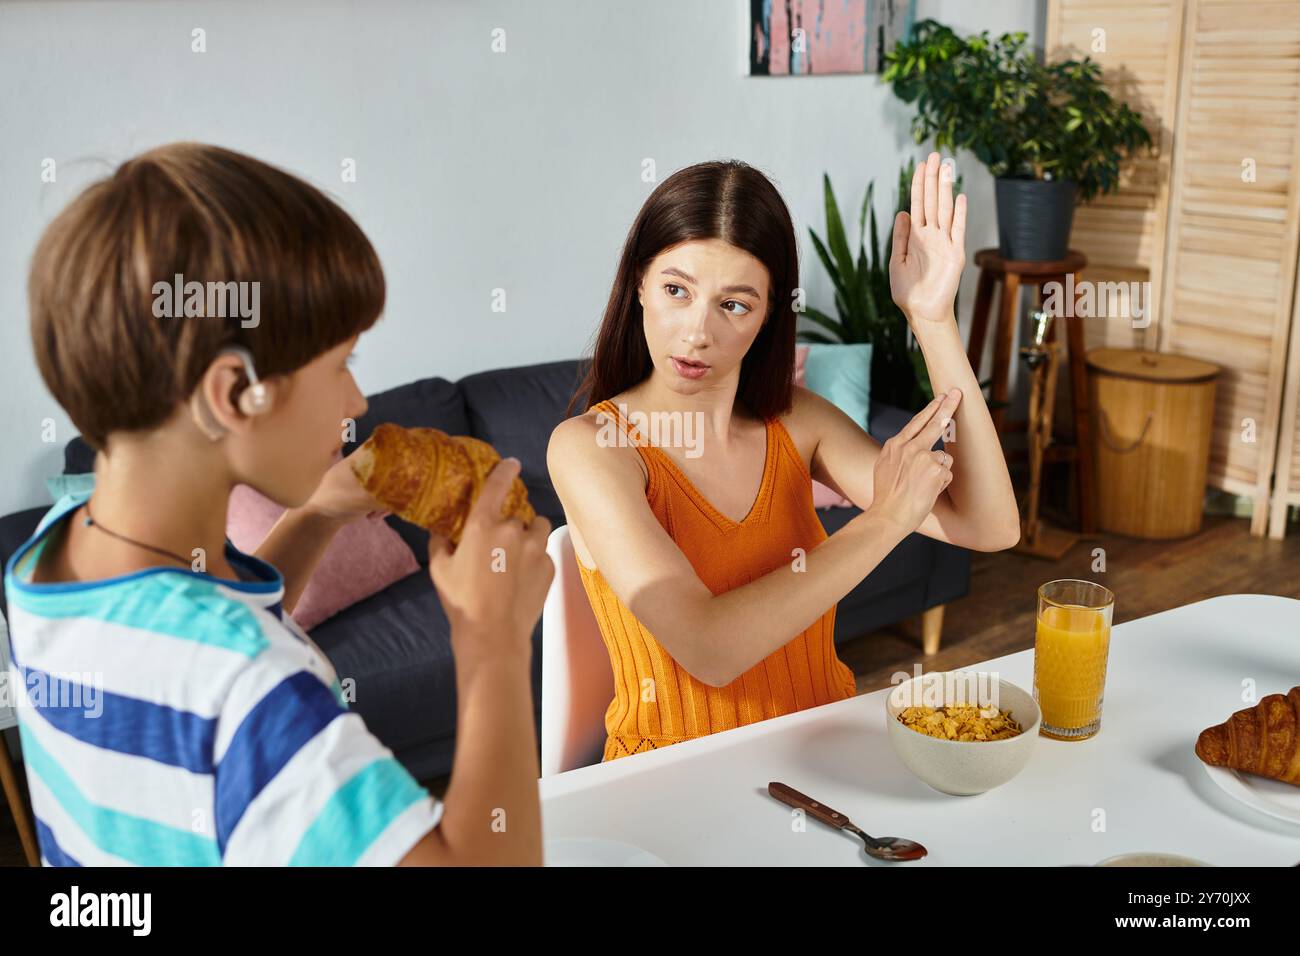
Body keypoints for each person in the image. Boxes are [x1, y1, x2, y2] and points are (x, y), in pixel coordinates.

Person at [4, 142, 553, 865]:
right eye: (342, 363)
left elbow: (209, 624)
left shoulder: (55, 555)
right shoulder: (251, 690)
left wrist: (317, 515)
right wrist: (494, 643)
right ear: (234, 393)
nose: (357, 401)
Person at [547, 152, 1019, 761]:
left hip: (820, 757)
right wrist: (883, 523)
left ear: (769, 313)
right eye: (675, 290)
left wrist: (933, 321)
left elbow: (991, 525)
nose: (697, 332)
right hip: (672, 783)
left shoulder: (799, 424)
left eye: (735, 304)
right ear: (639, 284)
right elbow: (709, 650)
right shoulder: (591, 449)